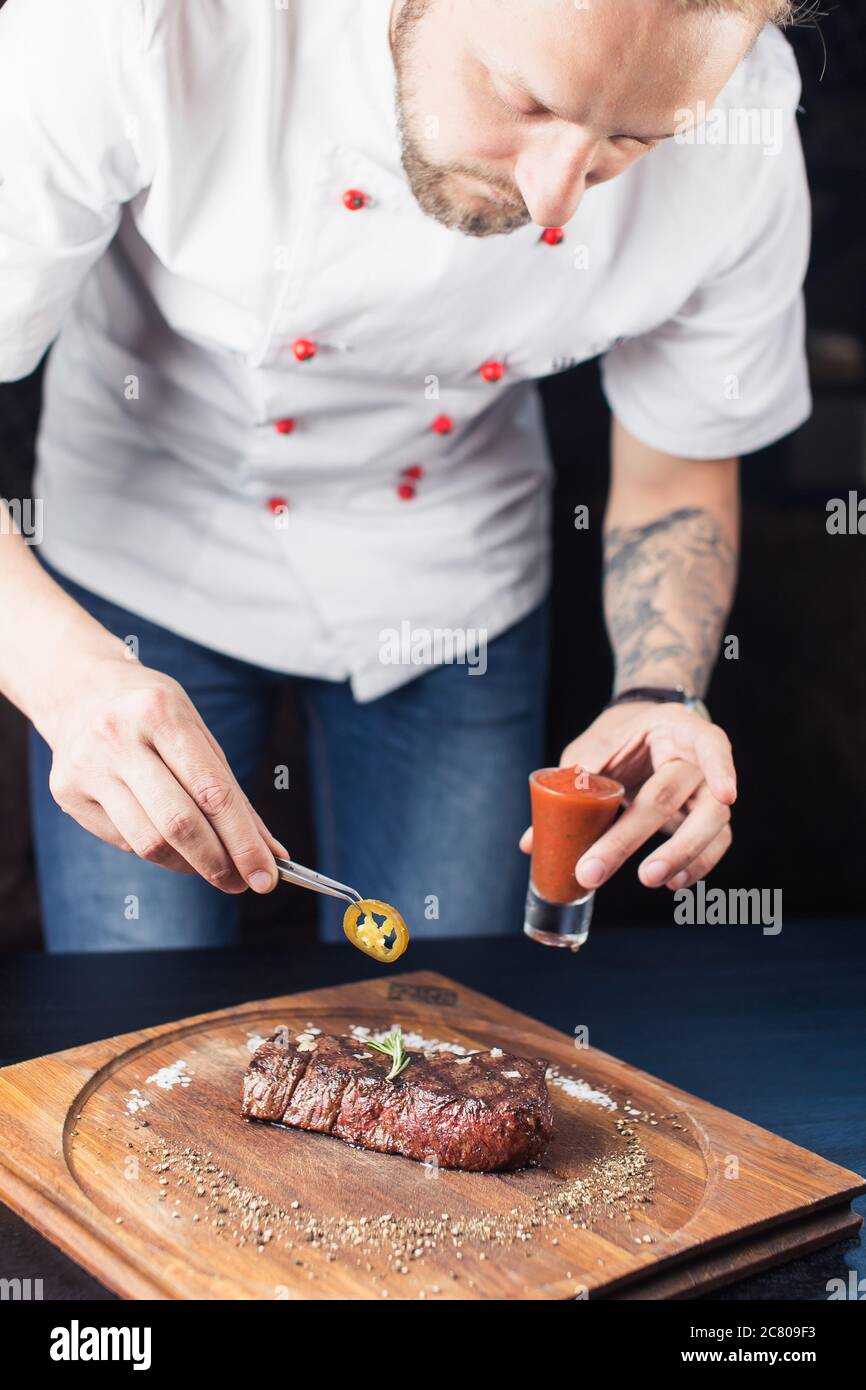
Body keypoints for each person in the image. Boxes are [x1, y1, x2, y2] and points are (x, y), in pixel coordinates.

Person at [0, 0, 810, 951]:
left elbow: (677, 469)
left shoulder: (740, 116)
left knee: (445, 1003)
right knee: (132, 1007)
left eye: (633, 139)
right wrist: (66, 680)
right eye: (524, 98)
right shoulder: (133, 24)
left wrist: (660, 694)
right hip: (142, 558)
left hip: (450, 572)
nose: (556, 198)